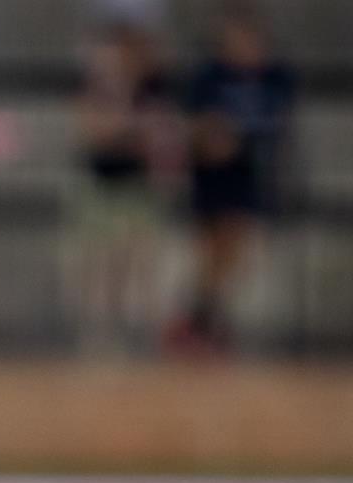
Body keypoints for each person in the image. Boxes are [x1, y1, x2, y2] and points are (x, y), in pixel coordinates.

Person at [170, 5, 295, 356]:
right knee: (213, 249)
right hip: (212, 177)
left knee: (235, 250)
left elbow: (278, 125)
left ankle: (206, 318)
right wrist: (210, 136)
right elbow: (193, 128)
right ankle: (200, 320)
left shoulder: (275, 78)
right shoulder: (208, 78)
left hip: (249, 174)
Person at [73, 21, 174, 354]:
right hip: (103, 185)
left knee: (141, 260)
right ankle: (101, 333)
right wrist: (127, 128)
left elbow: (157, 136)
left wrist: (126, 130)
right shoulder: (96, 89)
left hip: (139, 185)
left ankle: (141, 334)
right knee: (104, 260)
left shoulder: (151, 90)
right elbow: (92, 133)